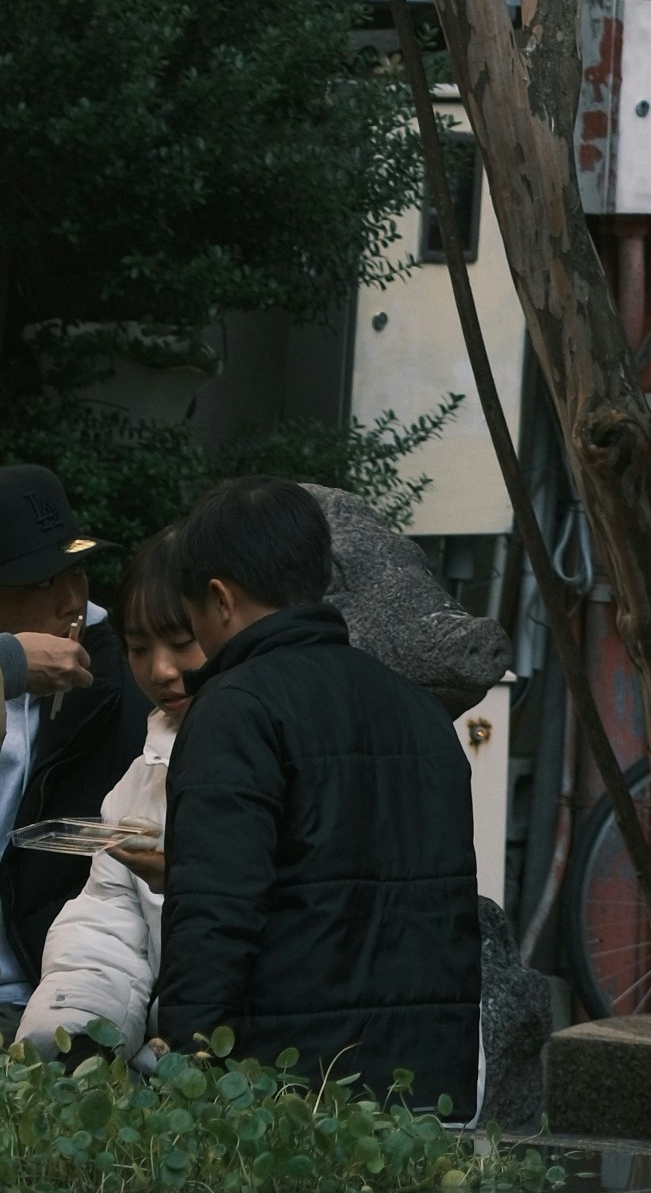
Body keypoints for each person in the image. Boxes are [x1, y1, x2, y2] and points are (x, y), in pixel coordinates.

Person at [152, 478, 480, 1114]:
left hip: (284, 1093)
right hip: (422, 1091)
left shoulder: (237, 707)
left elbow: (217, 910)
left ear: (219, 598)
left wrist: (186, 1067)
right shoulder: (418, 710)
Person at [15, 533, 206, 1052]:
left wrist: (187, 876)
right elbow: (106, 929)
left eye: (182, 642)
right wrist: (73, 1036)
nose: (160, 670)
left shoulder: (289, 754)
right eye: (138, 649)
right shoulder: (141, 776)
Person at [0, 464, 138, 1027]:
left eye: (76, 571)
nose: (70, 601)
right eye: (38, 584)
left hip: (55, 999)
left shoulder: (123, 674)